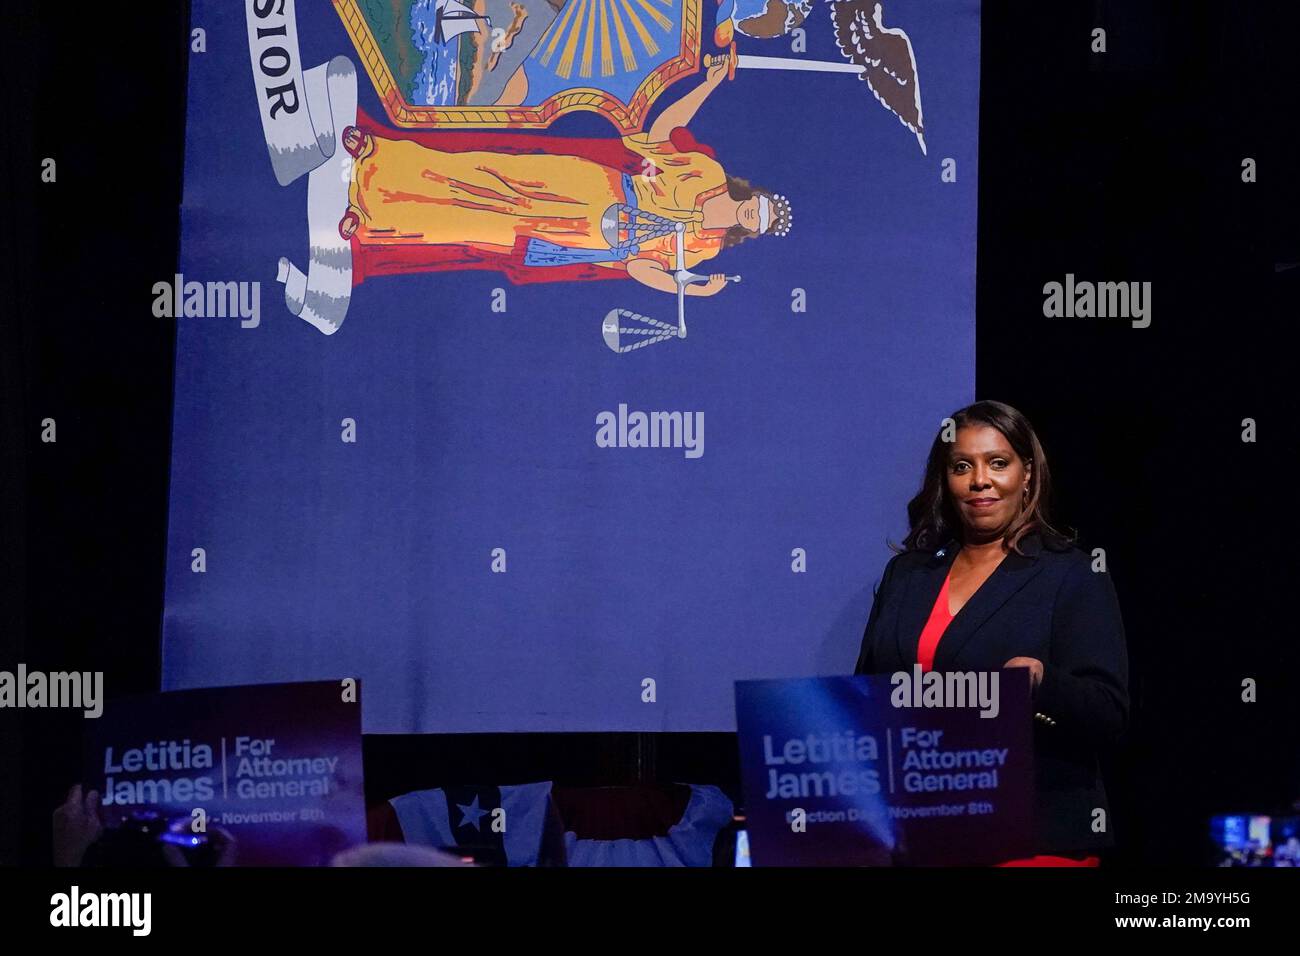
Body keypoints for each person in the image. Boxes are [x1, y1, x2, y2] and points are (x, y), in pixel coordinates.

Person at [854, 400, 1129, 863]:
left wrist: (1043, 683)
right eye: (962, 466)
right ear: (946, 480)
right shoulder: (907, 573)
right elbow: (865, 695)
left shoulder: (1072, 575)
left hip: (1030, 842)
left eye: (997, 463)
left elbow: (1110, 712)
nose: (980, 479)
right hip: (917, 836)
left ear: (1026, 474)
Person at [336, 51, 791, 292]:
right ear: (754, 195)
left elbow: (641, 267)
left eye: (760, 223)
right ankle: (375, 157)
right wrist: (708, 84)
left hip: (592, 235)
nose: (753, 216)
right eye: (760, 208)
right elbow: (664, 130)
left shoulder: (704, 250)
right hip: (596, 183)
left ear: (752, 232)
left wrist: (688, 291)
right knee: (485, 171)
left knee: (487, 224)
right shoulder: (708, 173)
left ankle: (371, 221)